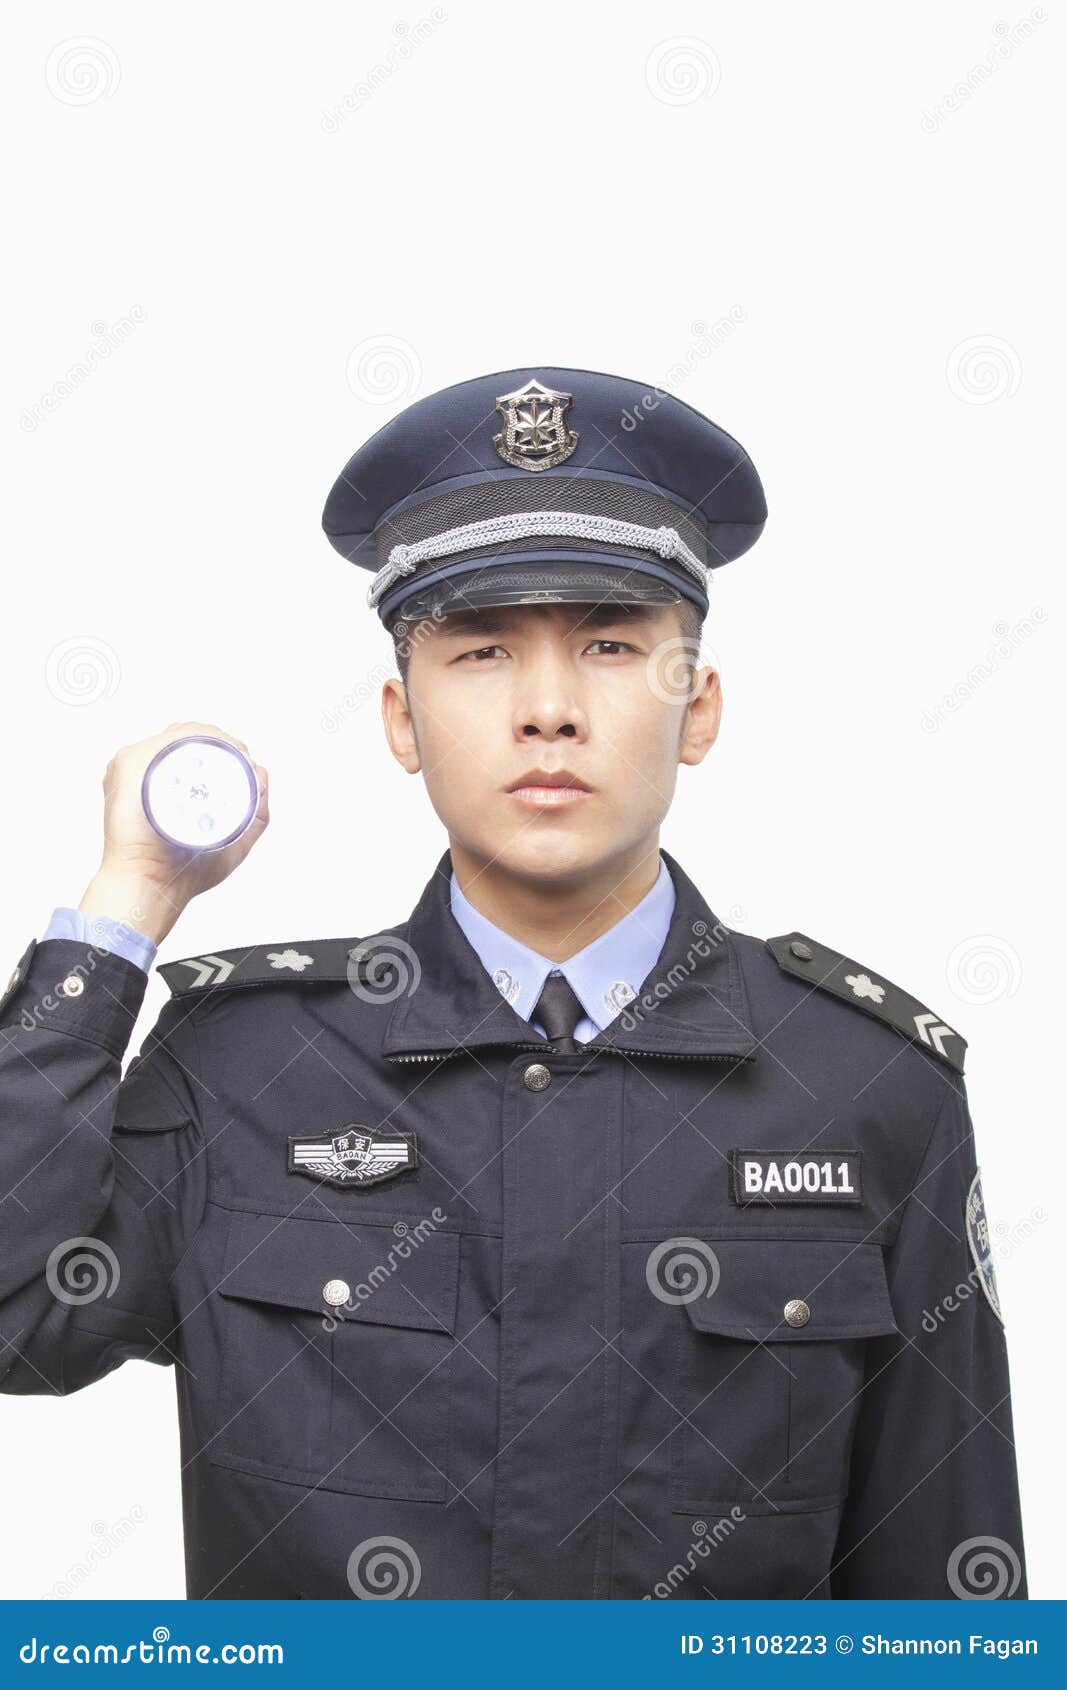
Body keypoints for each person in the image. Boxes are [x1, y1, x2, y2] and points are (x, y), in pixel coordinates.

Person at [0, 368, 1026, 1600]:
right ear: (400, 718)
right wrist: (124, 908)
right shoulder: (243, 1066)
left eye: (607, 644)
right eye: (481, 650)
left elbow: (939, 1597)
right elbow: (16, 1312)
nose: (547, 710)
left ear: (694, 709)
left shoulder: (862, 1086)